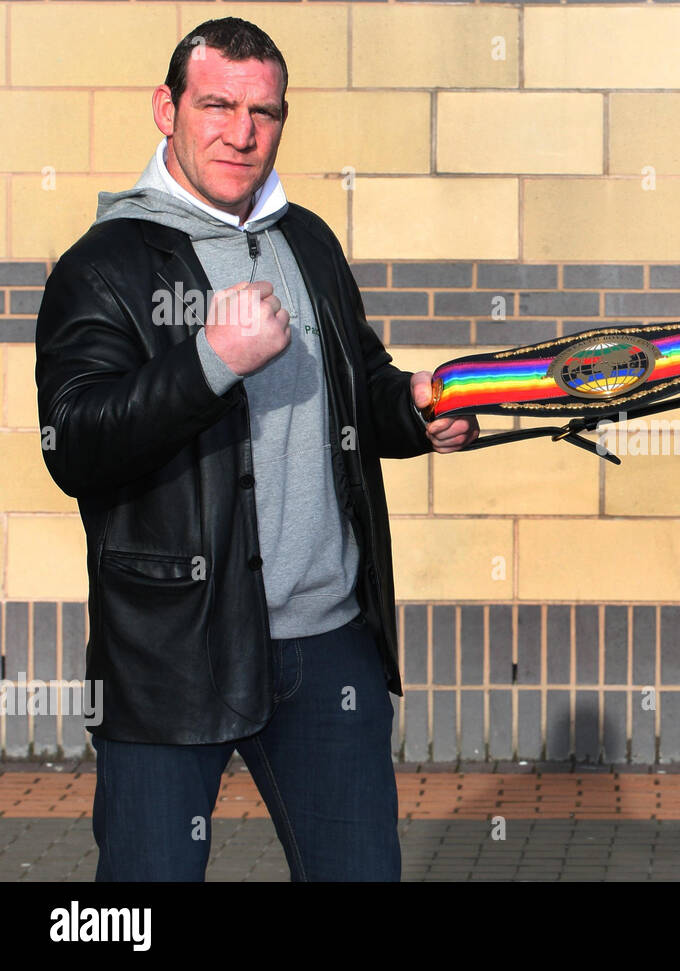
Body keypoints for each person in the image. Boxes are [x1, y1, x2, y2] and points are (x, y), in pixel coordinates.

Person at [34, 17, 477, 881]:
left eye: (264, 112)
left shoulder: (304, 239)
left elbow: (361, 388)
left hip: (328, 643)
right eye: (218, 105)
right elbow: (75, 443)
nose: (242, 132)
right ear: (166, 109)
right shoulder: (104, 265)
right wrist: (210, 363)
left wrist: (415, 410)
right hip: (170, 654)